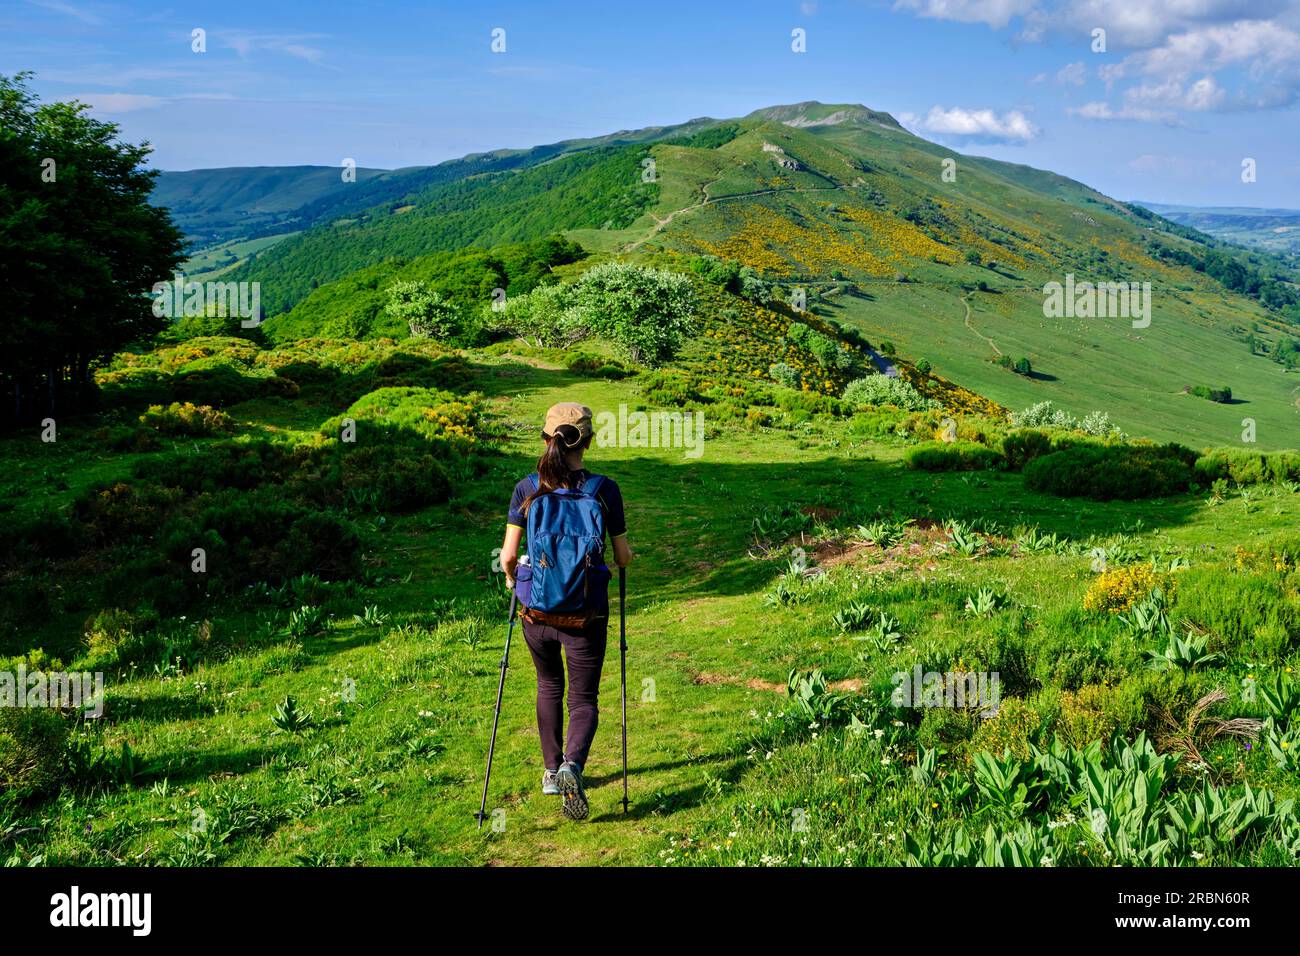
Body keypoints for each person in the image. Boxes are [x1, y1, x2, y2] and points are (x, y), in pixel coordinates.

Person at [501, 402, 633, 820]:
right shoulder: (604, 490)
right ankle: (572, 767)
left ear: (546, 439)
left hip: (537, 612)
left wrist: (512, 579)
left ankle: (550, 769)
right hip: (585, 613)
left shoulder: (527, 487)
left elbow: (508, 556)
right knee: (583, 697)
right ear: (588, 442)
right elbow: (623, 555)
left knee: (548, 684)